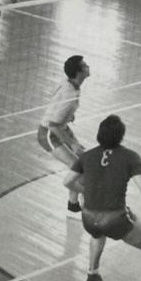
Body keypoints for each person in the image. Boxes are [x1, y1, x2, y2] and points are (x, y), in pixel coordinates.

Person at [64, 115, 141, 281]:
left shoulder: (87, 156)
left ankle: (92, 275)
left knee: (97, 232)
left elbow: (67, 182)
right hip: (115, 218)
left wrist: (87, 191)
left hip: (89, 217)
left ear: (99, 134)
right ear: (121, 135)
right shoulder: (129, 156)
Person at [38, 55, 89, 215]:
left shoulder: (71, 84)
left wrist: (68, 115)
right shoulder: (69, 94)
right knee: (79, 168)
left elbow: (55, 102)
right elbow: (53, 125)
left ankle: (73, 205)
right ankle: (86, 199)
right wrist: (72, 143)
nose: (88, 67)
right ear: (79, 72)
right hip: (49, 133)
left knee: (81, 165)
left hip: (62, 127)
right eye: (84, 65)